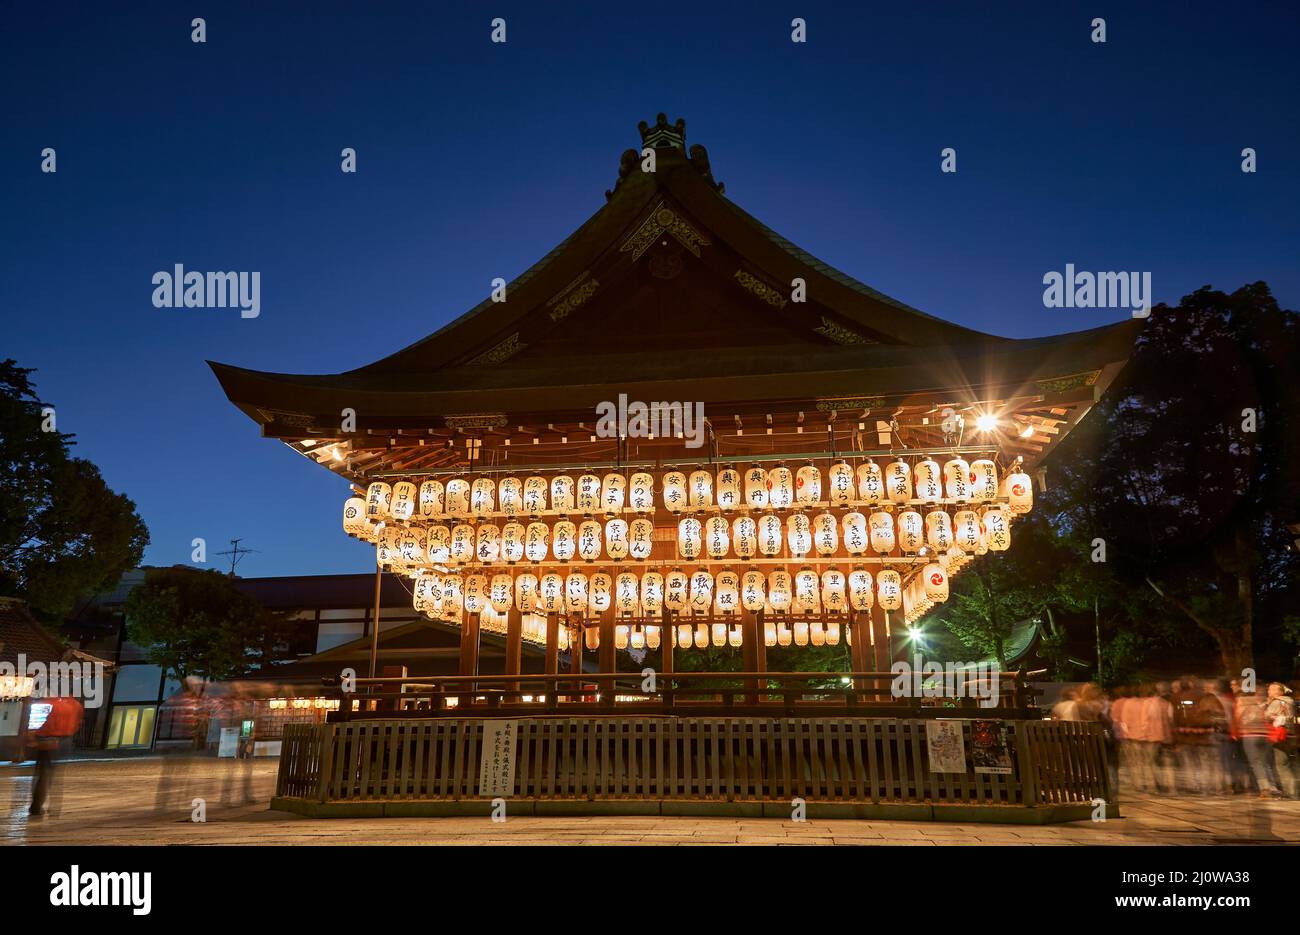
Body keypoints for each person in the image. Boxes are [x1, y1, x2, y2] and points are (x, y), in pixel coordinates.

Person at [28, 694, 85, 817]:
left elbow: (36, 722)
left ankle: (36, 806)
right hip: (64, 740)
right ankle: (54, 808)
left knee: (43, 774)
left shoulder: (48, 702)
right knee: (56, 774)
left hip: (46, 739)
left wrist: (34, 736)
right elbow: (78, 724)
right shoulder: (75, 705)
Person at [1234, 688, 1283, 798]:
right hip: (1264, 735)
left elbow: (1238, 718)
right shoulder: (1260, 704)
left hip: (1250, 735)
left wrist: (1236, 730)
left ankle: (1264, 788)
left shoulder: (1243, 703)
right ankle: (1273, 787)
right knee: (1265, 762)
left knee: (1256, 763)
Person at [1265, 682, 1297, 797]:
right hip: (1292, 735)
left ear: (1278, 692)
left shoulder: (1276, 702)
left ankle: (1290, 792)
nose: (1268, 692)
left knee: (1281, 765)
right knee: (1291, 764)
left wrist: (1268, 704)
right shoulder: (1290, 701)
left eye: (1270, 690)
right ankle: (1295, 789)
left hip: (1281, 736)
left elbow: (1266, 715)